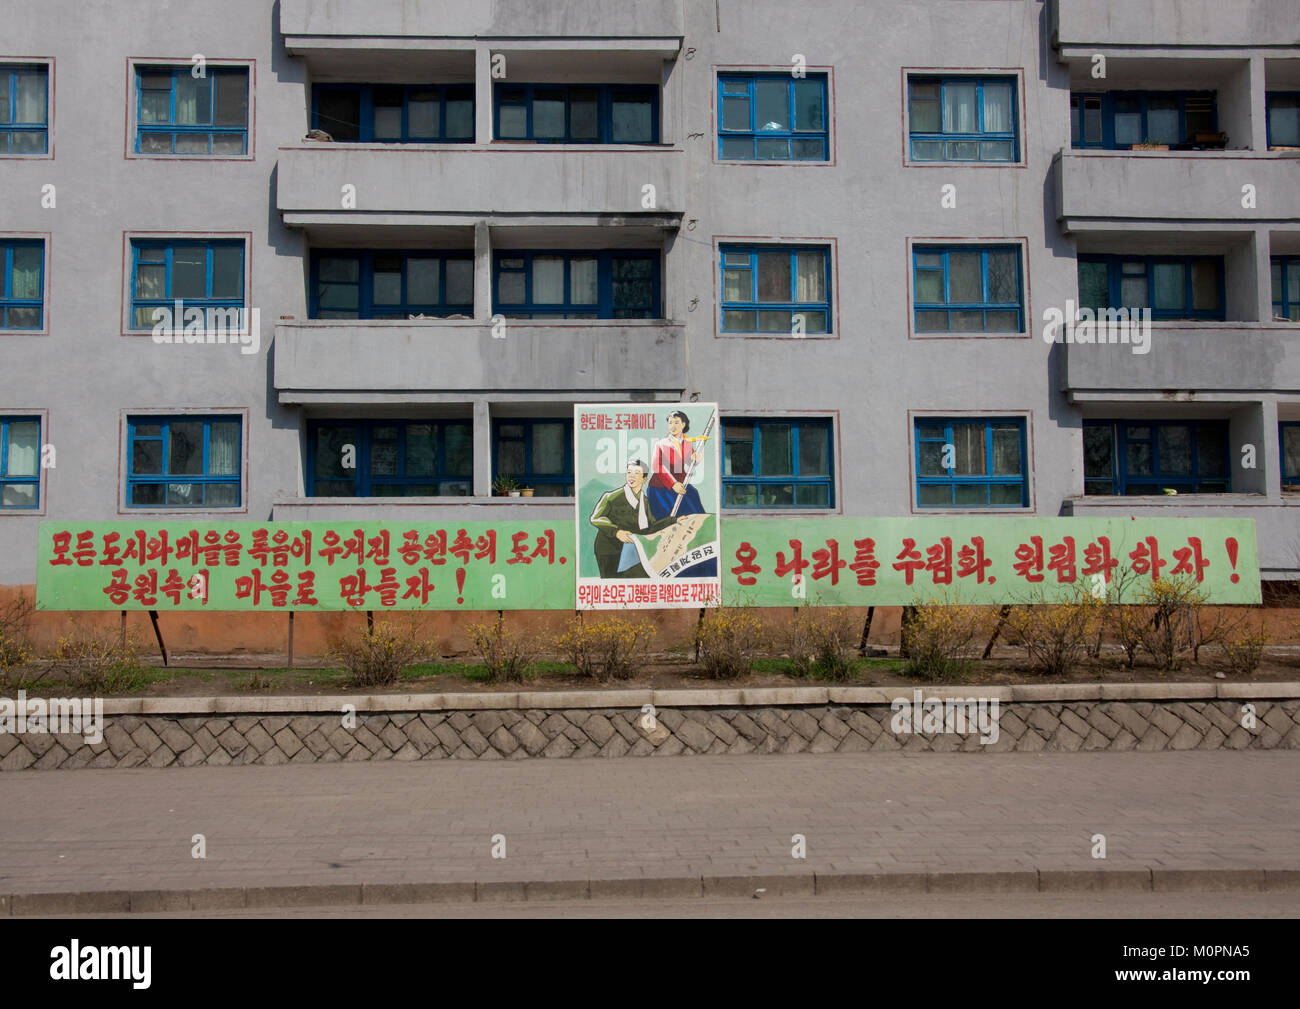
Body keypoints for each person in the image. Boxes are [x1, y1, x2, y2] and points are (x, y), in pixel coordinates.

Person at [589, 459, 690, 579]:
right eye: (629, 472)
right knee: (612, 585)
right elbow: (596, 517)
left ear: (644, 479)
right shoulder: (611, 497)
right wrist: (616, 532)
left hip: (630, 551)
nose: (631, 476)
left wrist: (674, 520)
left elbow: (651, 526)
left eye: (636, 473)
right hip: (608, 550)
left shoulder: (645, 501)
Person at [647, 410, 706, 518]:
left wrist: (696, 458)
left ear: (683, 424)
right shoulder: (661, 444)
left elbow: (690, 461)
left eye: (676, 422)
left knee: (693, 500)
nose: (672, 426)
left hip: (681, 483)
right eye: (670, 423)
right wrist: (673, 484)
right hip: (660, 487)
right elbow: (657, 466)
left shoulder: (687, 442)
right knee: (669, 518)